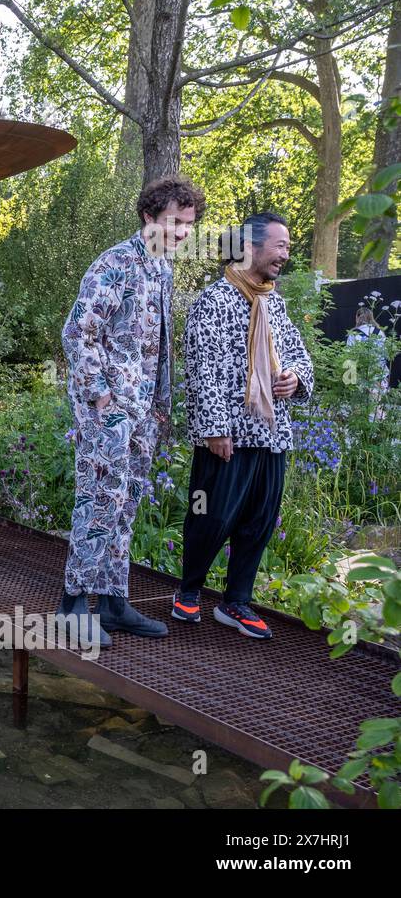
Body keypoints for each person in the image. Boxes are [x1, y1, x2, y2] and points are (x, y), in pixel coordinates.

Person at [58, 175, 204, 646]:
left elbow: (155, 347)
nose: (182, 232)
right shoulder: (115, 263)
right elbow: (78, 333)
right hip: (109, 411)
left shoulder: (161, 268)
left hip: (144, 414)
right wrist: (100, 395)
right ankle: (74, 604)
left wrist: (161, 407)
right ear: (149, 216)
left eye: (188, 224)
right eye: (174, 222)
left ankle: (115, 603)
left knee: (126, 503)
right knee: (98, 499)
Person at [173, 212, 314, 639]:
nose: (285, 255)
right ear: (250, 247)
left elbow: (298, 355)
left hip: (271, 433)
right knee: (209, 514)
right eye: (280, 246)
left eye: (287, 247)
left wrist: (295, 378)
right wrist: (214, 428)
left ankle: (235, 602)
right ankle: (189, 591)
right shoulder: (213, 300)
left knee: (259, 520)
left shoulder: (275, 302)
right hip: (227, 435)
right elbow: (202, 368)